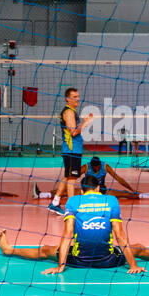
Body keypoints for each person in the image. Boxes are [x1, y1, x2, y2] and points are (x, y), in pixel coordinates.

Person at [0, 173, 149, 274]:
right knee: (139, 247)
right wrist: (133, 265)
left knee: (46, 249)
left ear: (82, 189)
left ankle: (9, 250)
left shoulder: (73, 201)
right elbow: (119, 236)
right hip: (108, 260)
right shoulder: (111, 201)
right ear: (99, 188)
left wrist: (61, 265)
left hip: (78, 260)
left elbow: (67, 235)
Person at [46, 87, 97, 215]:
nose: (77, 99)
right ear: (67, 99)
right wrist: (86, 123)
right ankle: (71, 208)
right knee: (72, 178)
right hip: (71, 149)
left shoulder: (72, 111)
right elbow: (73, 132)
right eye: (74, 97)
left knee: (67, 176)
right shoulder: (68, 112)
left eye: (78, 96)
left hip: (73, 149)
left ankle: (55, 202)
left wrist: (84, 122)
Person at [36, 156, 149, 201]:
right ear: (92, 165)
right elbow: (72, 178)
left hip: (101, 190)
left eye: (97, 166)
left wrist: (131, 188)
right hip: (87, 191)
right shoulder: (86, 167)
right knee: (65, 192)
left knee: (123, 194)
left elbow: (119, 179)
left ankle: (147, 195)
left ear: (99, 164)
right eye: (94, 166)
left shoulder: (105, 166)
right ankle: (41, 194)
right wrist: (65, 185)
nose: (96, 168)